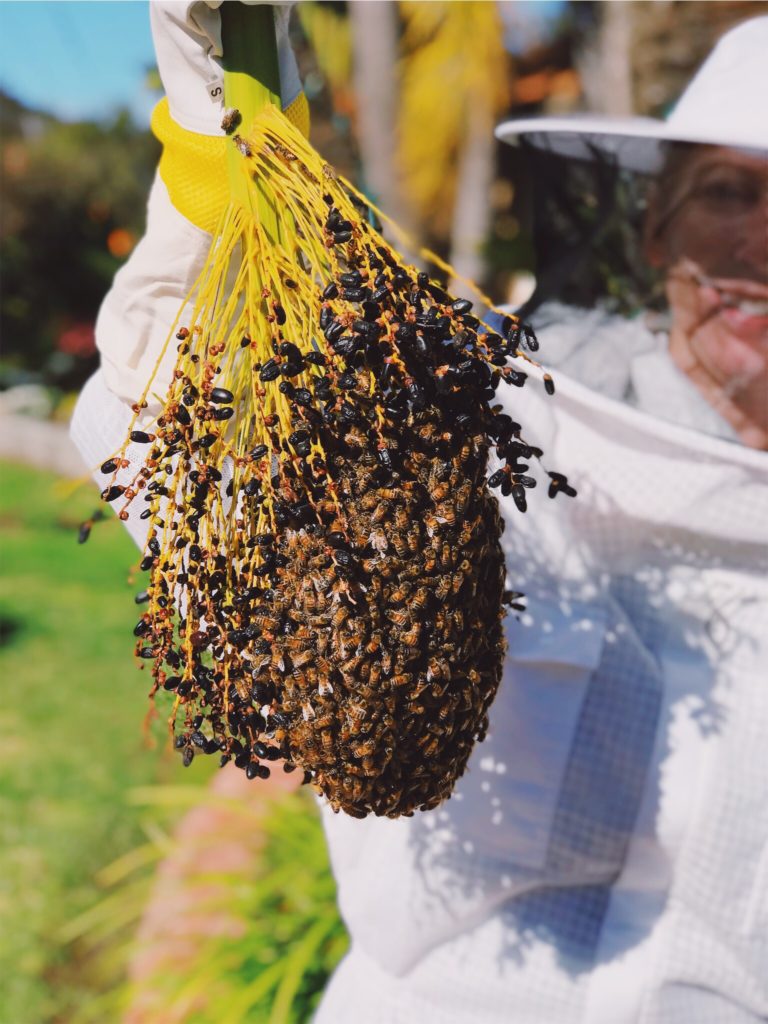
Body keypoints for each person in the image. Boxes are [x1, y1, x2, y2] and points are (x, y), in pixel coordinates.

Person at [70, 9, 767, 1023]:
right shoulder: (481, 408)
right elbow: (175, 434)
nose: (760, 244)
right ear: (654, 221)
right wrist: (217, 164)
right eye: (730, 192)